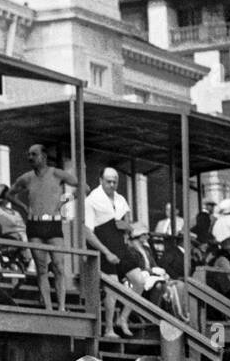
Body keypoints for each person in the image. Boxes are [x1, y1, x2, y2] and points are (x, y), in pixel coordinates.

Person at [10, 143, 79, 311]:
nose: (30, 158)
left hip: (53, 224)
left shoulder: (56, 173)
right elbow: (10, 193)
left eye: (34, 154)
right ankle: (48, 308)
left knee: (59, 266)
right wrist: (24, 207)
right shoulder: (26, 177)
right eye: (29, 154)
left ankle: (61, 307)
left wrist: (65, 201)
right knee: (41, 268)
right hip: (35, 224)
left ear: (44, 157)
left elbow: (82, 186)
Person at [84, 167, 149, 338]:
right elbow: (87, 233)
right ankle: (108, 329)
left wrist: (125, 227)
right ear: (100, 180)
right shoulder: (92, 200)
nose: (112, 185)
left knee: (139, 281)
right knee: (112, 287)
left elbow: (127, 224)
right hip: (103, 246)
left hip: (120, 245)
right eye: (108, 181)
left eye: (114, 181)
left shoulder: (120, 199)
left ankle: (123, 318)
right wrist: (105, 252)